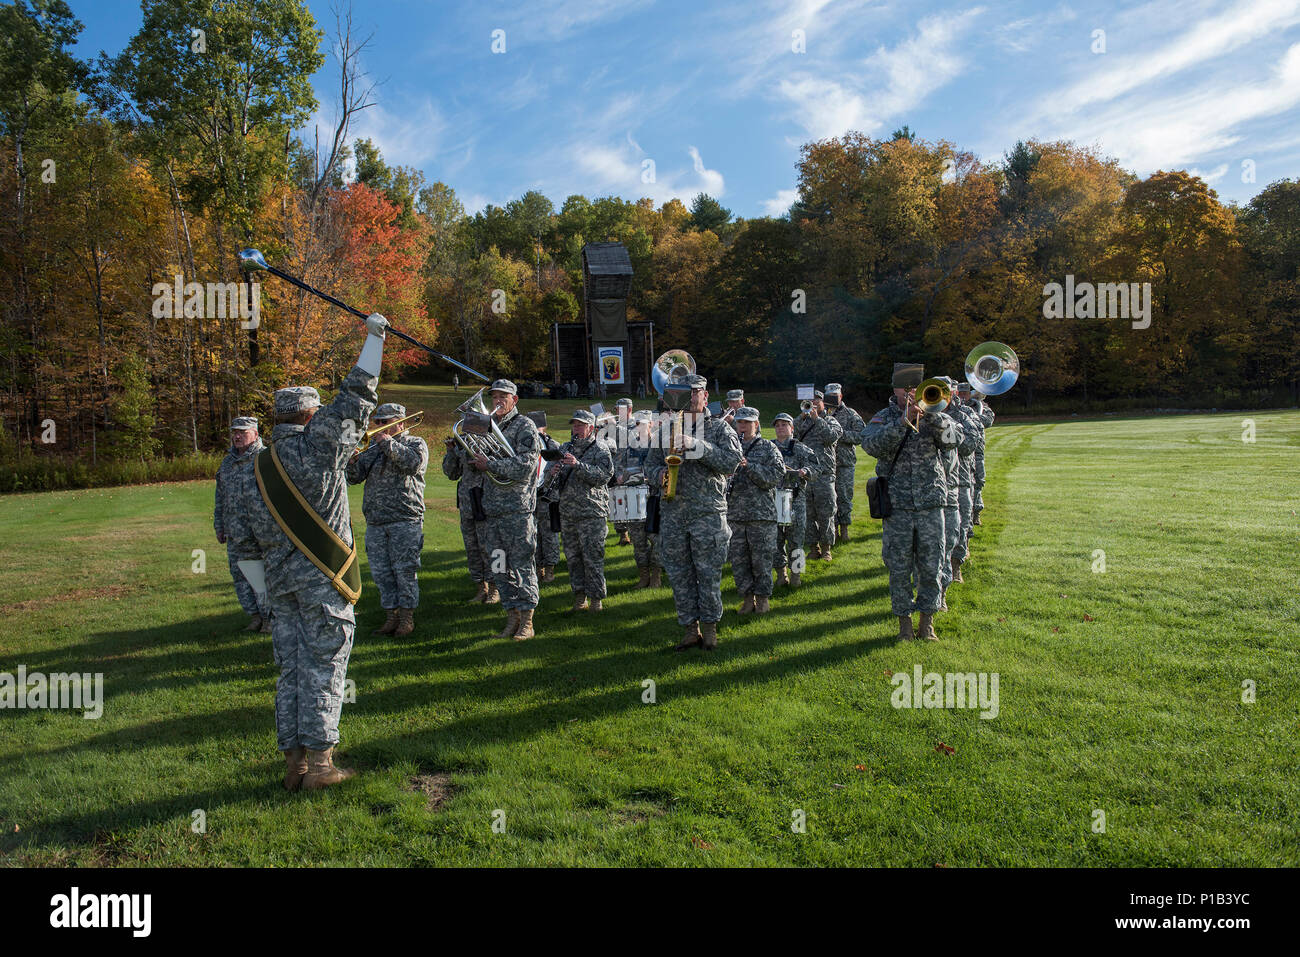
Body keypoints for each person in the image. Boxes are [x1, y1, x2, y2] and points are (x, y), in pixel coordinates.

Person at [229, 311, 385, 791]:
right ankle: (320, 765)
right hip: (323, 582)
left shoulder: (255, 467)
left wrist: (265, 598)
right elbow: (358, 394)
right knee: (325, 666)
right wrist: (375, 338)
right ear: (311, 415)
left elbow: (244, 543)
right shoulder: (320, 446)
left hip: (279, 588)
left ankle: (294, 764)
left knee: (291, 671)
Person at [859, 362, 958, 642]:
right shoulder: (882, 417)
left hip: (930, 504)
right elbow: (870, 446)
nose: (911, 393)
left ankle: (927, 623)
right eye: (906, 388)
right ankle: (904, 624)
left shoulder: (937, 413)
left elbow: (957, 441)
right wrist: (903, 421)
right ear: (896, 389)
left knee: (932, 564)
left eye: (915, 387)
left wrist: (934, 416)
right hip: (898, 506)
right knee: (899, 566)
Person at [644, 374, 742, 651]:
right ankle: (690, 628)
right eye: (684, 393)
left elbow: (732, 462)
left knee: (708, 575)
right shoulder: (664, 431)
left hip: (707, 514)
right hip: (673, 513)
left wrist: (697, 445)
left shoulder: (720, 430)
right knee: (678, 574)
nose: (690, 398)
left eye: (695, 392)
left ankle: (710, 630)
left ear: (705, 397)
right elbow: (648, 466)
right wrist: (659, 474)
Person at [345, 403, 428, 638]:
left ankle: (406, 618)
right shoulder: (373, 447)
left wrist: (387, 443)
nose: (380, 426)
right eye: (378, 422)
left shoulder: (415, 443)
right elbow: (355, 478)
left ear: (400, 423)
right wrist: (351, 463)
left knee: (405, 571)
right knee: (382, 573)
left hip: (405, 518)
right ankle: (391, 616)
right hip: (376, 521)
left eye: (385, 422)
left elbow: (413, 465)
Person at [473, 379, 542, 640]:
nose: (498, 401)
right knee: (500, 566)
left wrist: (491, 465)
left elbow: (526, 463)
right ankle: (511, 616)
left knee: (521, 564)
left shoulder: (525, 425)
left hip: (517, 509)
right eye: (495, 396)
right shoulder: (488, 427)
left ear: (515, 400)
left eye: (504, 396)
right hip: (493, 510)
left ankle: (527, 621)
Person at [726, 407, 785, 615]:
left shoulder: (768, 448)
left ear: (756, 424)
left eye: (747, 423)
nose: (742, 426)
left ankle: (762, 599)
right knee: (739, 560)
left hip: (761, 515)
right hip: (735, 515)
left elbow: (776, 476)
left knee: (761, 560)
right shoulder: (730, 448)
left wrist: (749, 466)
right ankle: (747, 598)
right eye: (740, 422)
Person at [555, 410, 615, 611]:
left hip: (592, 512)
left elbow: (604, 476)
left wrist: (577, 465)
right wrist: (553, 471)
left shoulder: (600, 448)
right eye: (574, 425)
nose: (576, 428)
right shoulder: (565, 447)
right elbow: (550, 479)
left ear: (591, 427)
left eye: (580, 425)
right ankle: (580, 597)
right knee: (573, 557)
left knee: (592, 557)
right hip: (568, 512)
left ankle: (596, 599)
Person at [214, 416, 269, 632]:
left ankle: (269, 619)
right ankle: (254, 616)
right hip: (235, 533)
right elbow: (220, 496)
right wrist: (219, 525)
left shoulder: (265, 458)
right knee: (240, 577)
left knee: (261, 577)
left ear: (255, 434)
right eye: (234, 432)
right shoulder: (227, 463)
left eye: (242, 432)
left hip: (260, 533)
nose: (237, 436)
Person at [796, 390, 843, 562]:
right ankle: (813, 547)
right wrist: (802, 417)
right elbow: (791, 433)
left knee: (826, 513)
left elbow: (831, 437)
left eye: (817, 400)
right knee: (808, 514)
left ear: (823, 403)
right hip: (806, 473)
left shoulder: (831, 421)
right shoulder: (801, 421)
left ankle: (826, 548)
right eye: (810, 401)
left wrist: (816, 419)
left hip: (824, 474)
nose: (813, 403)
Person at [618, 410, 662, 588]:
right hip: (633, 498)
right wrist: (620, 476)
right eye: (638, 424)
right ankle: (644, 576)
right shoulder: (628, 446)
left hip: (654, 498)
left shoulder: (659, 445)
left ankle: (656, 575)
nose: (641, 427)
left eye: (644, 423)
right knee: (638, 540)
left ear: (651, 424)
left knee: (658, 539)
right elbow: (618, 467)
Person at [947, 383, 985, 583]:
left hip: (960, 479)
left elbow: (970, 444)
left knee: (959, 526)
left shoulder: (964, 415)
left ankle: (956, 567)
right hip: (932, 483)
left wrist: (944, 428)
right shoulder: (921, 412)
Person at [772, 413, 815, 588]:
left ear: (792, 428)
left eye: (784, 425)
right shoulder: (769, 447)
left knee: (796, 540)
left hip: (795, 500)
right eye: (778, 425)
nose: (781, 428)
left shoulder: (801, 448)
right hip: (773, 500)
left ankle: (796, 574)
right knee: (775, 540)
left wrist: (805, 471)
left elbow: (816, 466)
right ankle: (781, 574)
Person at [825, 383, 865, 545]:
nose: (833, 399)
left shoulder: (850, 414)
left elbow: (862, 435)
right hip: (827, 464)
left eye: (835, 396)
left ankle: (845, 528)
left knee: (844, 497)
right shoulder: (821, 414)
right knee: (828, 499)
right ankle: (831, 530)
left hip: (845, 462)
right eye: (830, 396)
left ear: (841, 396)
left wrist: (840, 434)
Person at [528, 411, 562, 582]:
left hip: (547, 497)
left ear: (544, 427)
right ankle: (538, 567)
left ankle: (550, 568)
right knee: (532, 534)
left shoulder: (553, 445)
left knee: (549, 534)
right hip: (530, 495)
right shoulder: (526, 444)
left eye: (538, 427)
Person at [611, 398, 635, 546]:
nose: (617, 412)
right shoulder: (614, 426)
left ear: (629, 410)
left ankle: (635, 532)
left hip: (631, 469)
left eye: (620, 409)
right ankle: (623, 533)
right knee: (617, 502)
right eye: (616, 409)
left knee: (632, 502)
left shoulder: (636, 424)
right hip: (616, 468)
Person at [970, 392, 995, 525]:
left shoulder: (979, 406)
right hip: (961, 452)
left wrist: (979, 405)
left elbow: (988, 420)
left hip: (977, 452)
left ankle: (976, 512)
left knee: (978, 481)